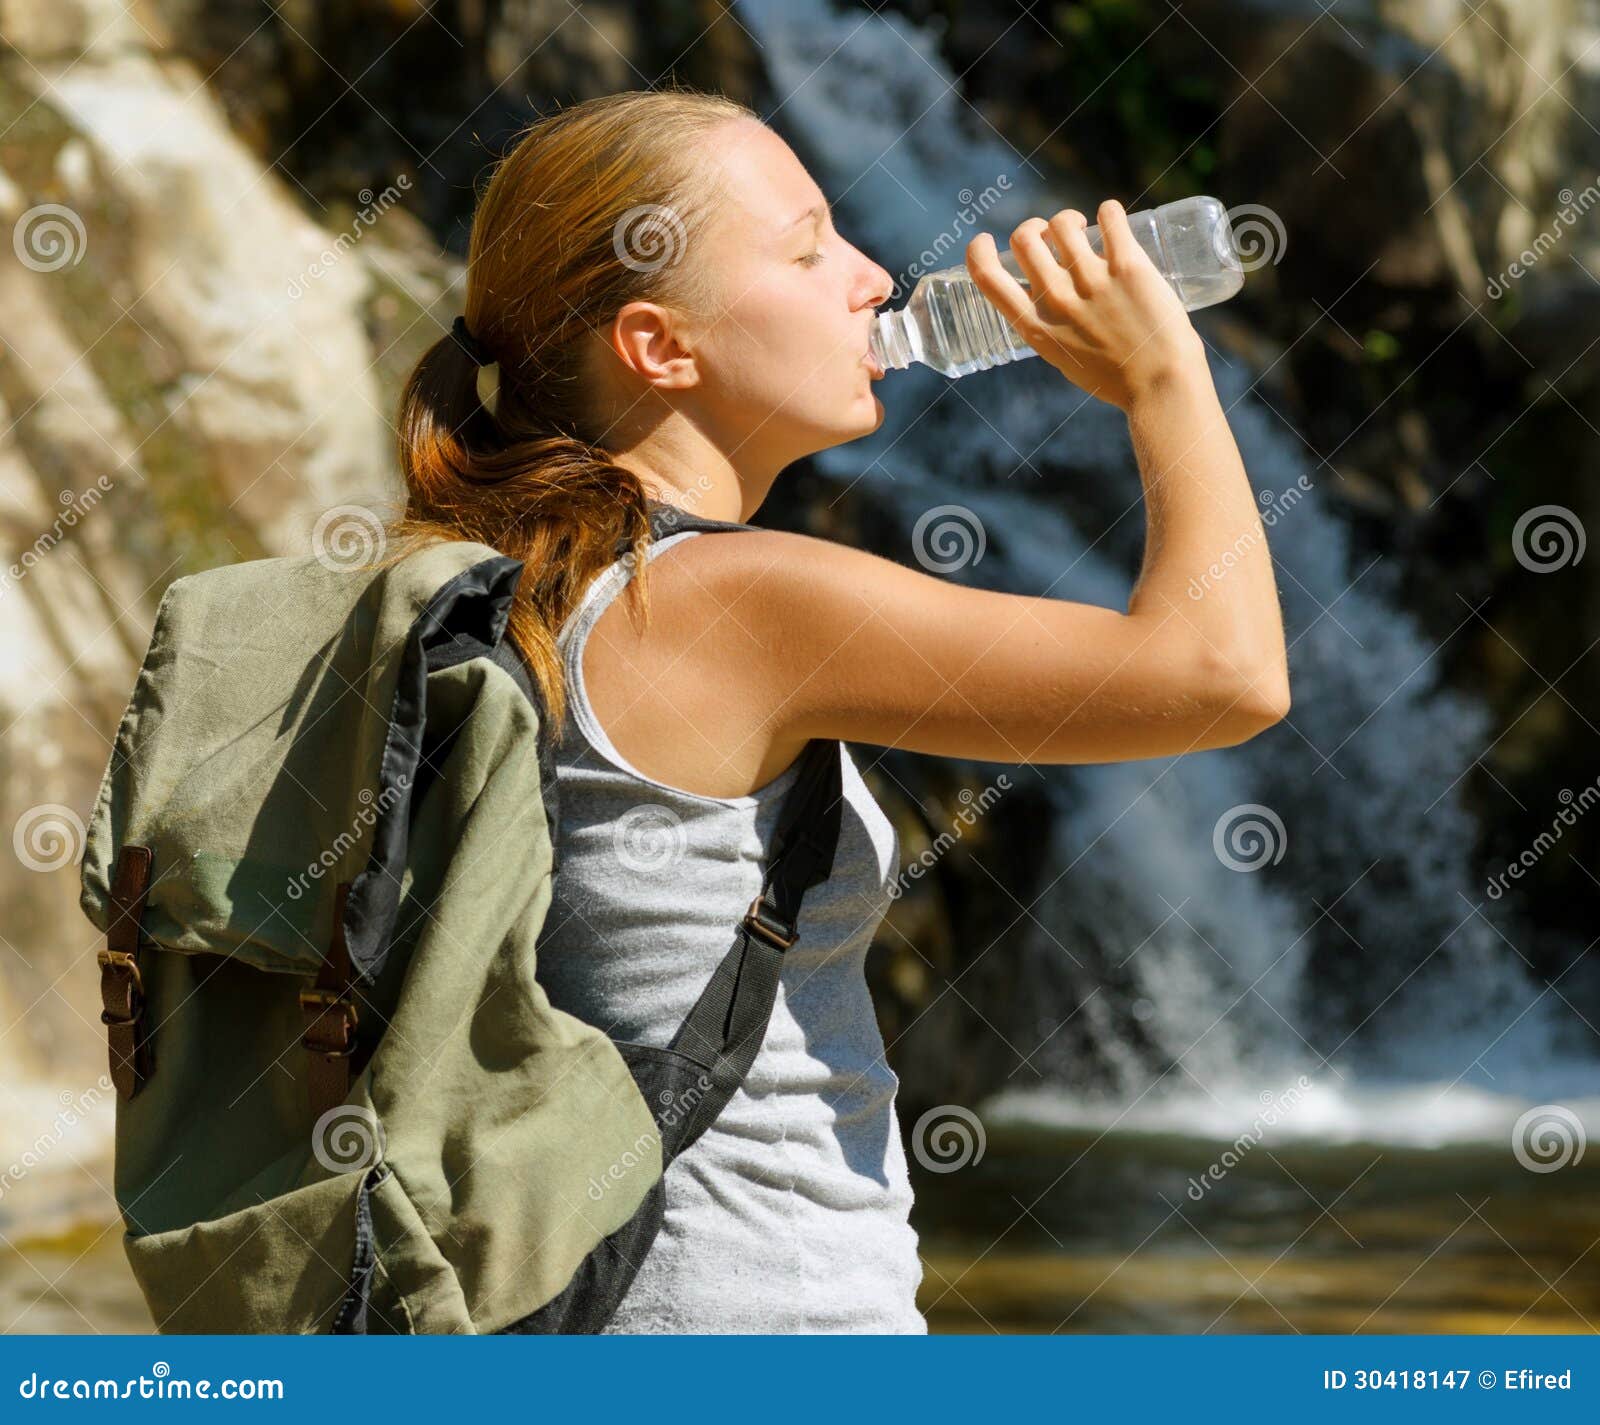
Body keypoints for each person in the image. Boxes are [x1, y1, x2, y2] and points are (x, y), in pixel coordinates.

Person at [388, 87, 1290, 1334]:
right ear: (658, 346)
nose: (872, 276)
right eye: (808, 249)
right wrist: (1164, 376)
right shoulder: (727, 598)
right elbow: (1223, 675)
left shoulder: (498, 583)